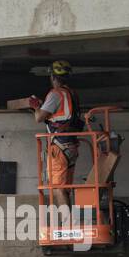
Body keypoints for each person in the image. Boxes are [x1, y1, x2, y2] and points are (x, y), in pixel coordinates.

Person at [30, 60, 83, 213]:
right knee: (65, 188)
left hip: (59, 146)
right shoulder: (71, 94)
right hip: (72, 145)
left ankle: (67, 225)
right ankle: (69, 224)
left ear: (52, 76)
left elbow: (39, 117)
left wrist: (36, 107)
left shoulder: (55, 94)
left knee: (57, 188)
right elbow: (61, 115)